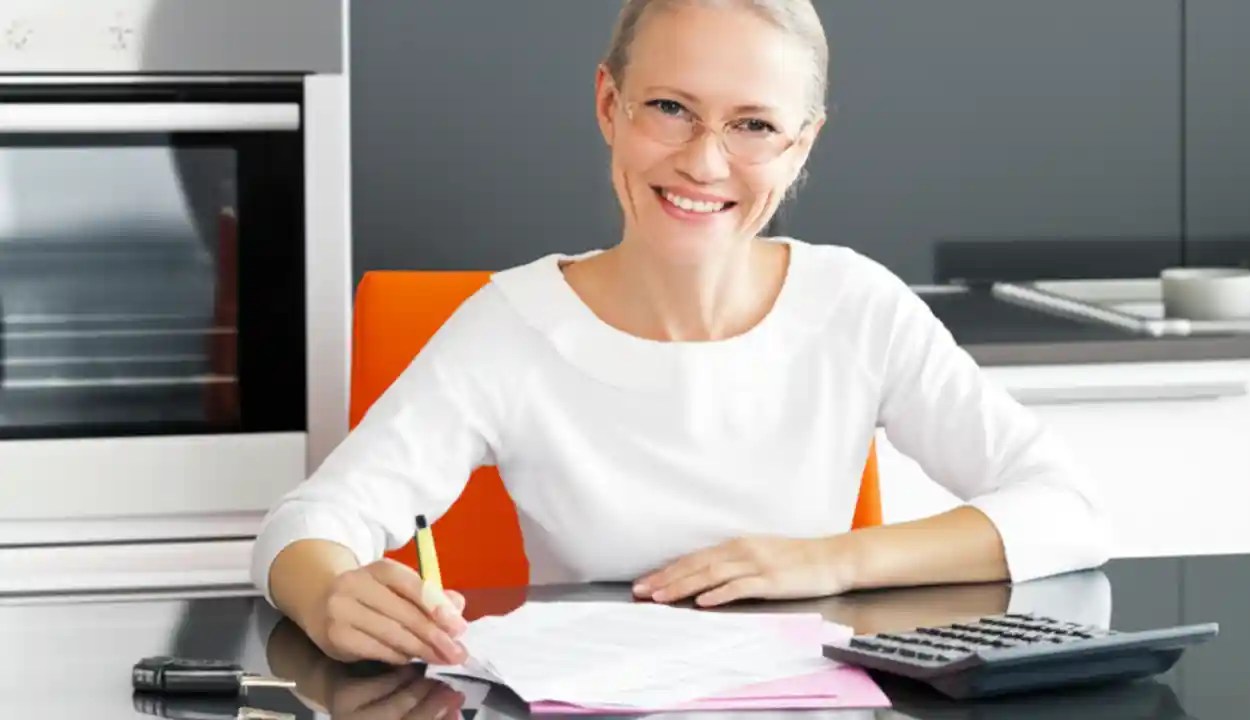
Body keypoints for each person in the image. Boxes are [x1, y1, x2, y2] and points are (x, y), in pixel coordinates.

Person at [251, 0, 1110, 668]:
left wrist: (829, 561)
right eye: (670, 108)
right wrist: (330, 594)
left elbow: (1065, 511)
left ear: (801, 145)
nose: (704, 162)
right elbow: (306, 525)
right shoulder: (510, 328)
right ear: (609, 105)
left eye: (754, 125)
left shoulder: (855, 305)